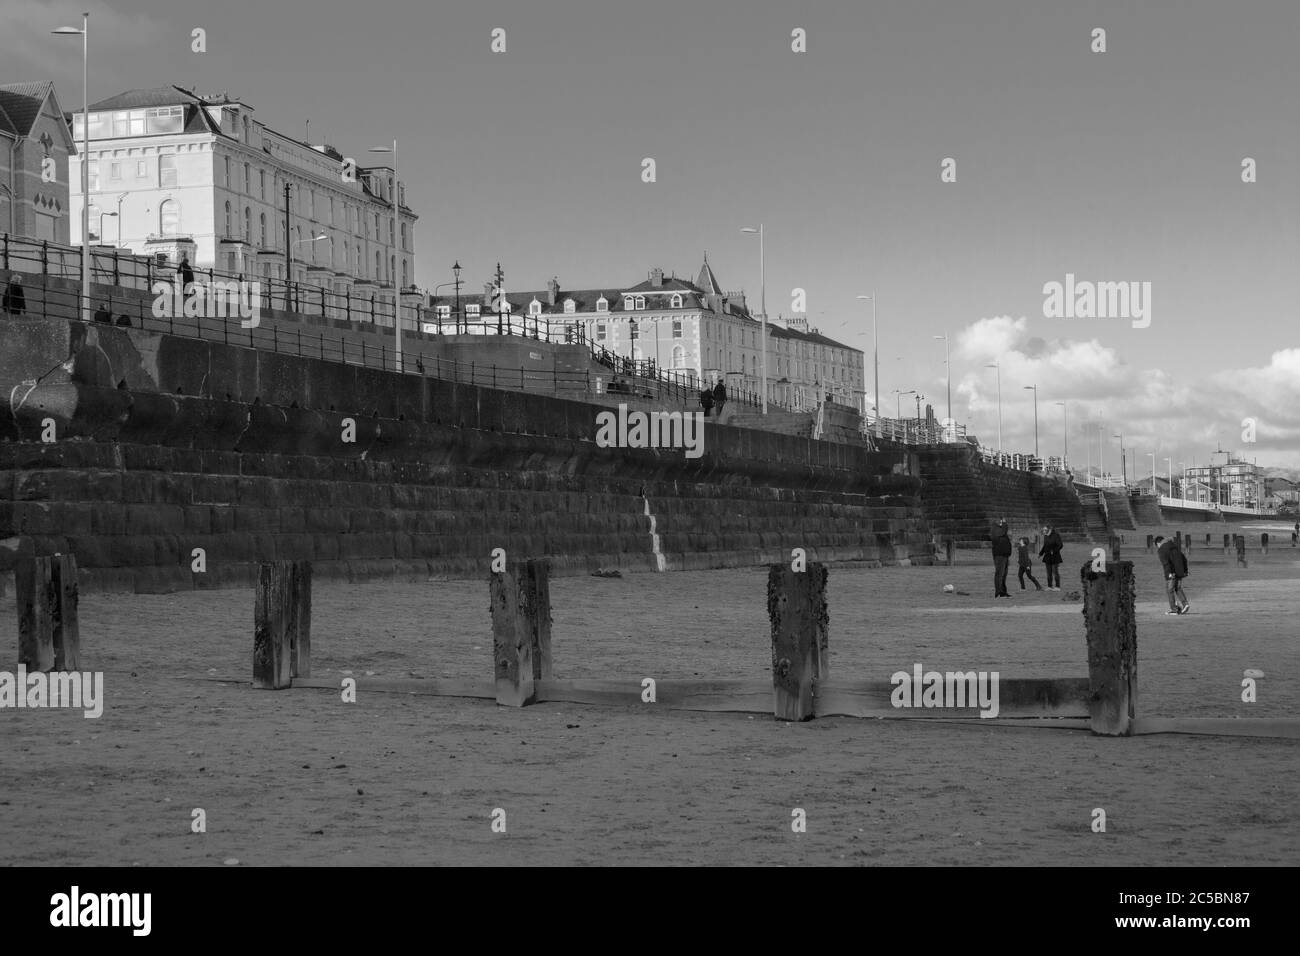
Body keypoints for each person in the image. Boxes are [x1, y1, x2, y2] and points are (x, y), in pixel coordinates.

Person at [1155, 535, 1190, 615]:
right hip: (1180, 571)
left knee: (1169, 590)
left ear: (1158, 543)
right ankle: (1185, 604)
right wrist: (1185, 570)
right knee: (1178, 588)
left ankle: (1174, 609)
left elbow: (1165, 563)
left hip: (1172, 573)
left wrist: (1169, 573)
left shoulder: (1162, 549)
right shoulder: (1174, 546)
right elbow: (1184, 558)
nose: (1157, 547)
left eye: (1157, 546)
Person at [991, 519, 1012, 597]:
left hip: (1005, 555)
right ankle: (998, 591)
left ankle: (1003, 591)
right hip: (999, 556)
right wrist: (1004, 523)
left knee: (1004, 574)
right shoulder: (995, 529)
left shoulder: (1001, 531)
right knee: (999, 574)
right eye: (1001, 522)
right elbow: (1004, 530)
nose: (1002, 524)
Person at [1039, 525, 1064, 590]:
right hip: (1047, 557)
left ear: (1049, 529)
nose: (1043, 531)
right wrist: (1041, 553)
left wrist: (1054, 551)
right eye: (1043, 530)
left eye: (1045, 530)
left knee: (1055, 572)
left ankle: (1057, 586)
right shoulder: (1045, 536)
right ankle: (1049, 586)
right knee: (1048, 573)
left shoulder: (1056, 535)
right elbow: (1045, 546)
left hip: (1055, 556)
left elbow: (1060, 545)